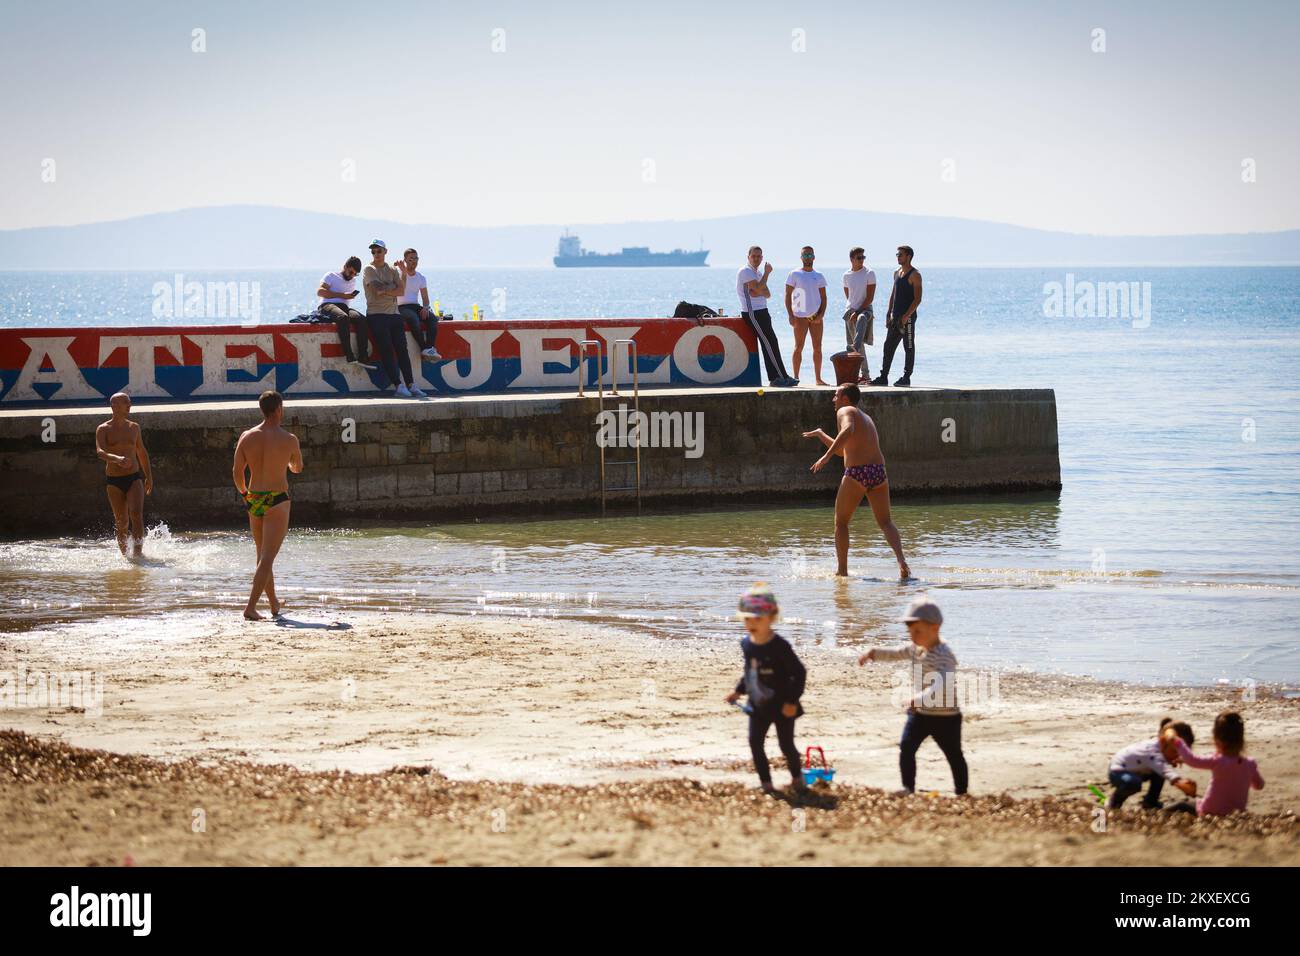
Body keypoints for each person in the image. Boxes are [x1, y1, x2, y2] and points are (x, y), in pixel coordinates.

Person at [859, 595, 968, 796]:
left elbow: (940, 684)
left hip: (946, 716)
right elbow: (896, 653)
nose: (913, 635)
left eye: (918, 631)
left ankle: (961, 792)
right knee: (907, 747)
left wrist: (918, 698)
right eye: (910, 631)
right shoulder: (916, 649)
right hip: (919, 713)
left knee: (954, 754)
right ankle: (908, 788)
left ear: (935, 628)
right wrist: (873, 653)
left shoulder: (945, 655)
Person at [805, 383, 911, 579]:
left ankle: (842, 571)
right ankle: (901, 562)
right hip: (878, 471)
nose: (833, 400)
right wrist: (821, 435)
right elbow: (843, 450)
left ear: (845, 398)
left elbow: (847, 431)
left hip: (857, 473)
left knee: (841, 522)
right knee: (886, 522)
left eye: (836, 395)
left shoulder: (845, 410)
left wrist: (825, 457)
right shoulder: (865, 417)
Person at [724, 584, 807, 795]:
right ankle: (766, 783)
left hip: (782, 705)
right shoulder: (747, 644)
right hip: (757, 705)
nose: (751, 623)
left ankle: (798, 779)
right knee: (755, 743)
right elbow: (750, 671)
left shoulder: (780, 645)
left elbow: (799, 673)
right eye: (747, 618)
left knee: (786, 745)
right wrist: (738, 691)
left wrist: (791, 702)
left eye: (758, 618)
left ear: (771, 617)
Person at [232, 390, 303, 620]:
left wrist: (244, 492)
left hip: (254, 497)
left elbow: (237, 473)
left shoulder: (246, 436)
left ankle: (273, 604)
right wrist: (288, 463)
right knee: (267, 558)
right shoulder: (289, 439)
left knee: (262, 555)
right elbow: (297, 468)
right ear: (279, 409)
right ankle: (250, 607)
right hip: (277, 499)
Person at [1168, 711, 1264, 816]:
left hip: (1210, 810)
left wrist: (1177, 742)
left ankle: (1159, 809)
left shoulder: (1217, 761)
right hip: (1237, 812)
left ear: (1217, 740)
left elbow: (1192, 760)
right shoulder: (1250, 763)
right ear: (1241, 740)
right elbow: (1259, 785)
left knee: (1182, 804)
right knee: (1196, 800)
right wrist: (1243, 777)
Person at [362, 239, 425, 398]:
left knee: (403, 351)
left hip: (395, 315)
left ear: (385, 252)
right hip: (377, 315)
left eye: (379, 251)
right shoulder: (369, 269)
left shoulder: (392, 269)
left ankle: (411, 384)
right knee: (387, 351)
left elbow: (401, 291)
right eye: (373, 251)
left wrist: (388, 289)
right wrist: (392, 288)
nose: (376, 254)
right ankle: (398, 386)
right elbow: (377, 290)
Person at [94, 392, 152, 557]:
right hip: (114, 481)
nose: (129, 405)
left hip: (134, 478)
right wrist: (117, 459)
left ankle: (138, 555)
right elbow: (100, 452)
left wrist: (149, 476)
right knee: (122, 522)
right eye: (125, 402)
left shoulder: (134, 427)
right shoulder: (103, 429)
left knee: (136, 514)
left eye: (129, 402)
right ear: (114, 406)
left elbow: (142, 452)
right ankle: (125, 556)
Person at [1105, 718, 1197, 810]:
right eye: (1175, 752)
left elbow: (1162, 763)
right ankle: (1114, 801)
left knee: (1158, 774)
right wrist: (1181, 783)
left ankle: (1150, 802)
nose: (1177, 756)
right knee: (1133, 783)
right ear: (1162, 741)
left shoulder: (1159, 746)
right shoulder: (1153, 754)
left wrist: (1175, 759)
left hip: (1136, 770)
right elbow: (1166, 771)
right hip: (1118, 771)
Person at [736, 246, 796, 387]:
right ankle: (779, 378)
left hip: (762, 311)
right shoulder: (746, 271)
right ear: (748, 257)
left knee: (772, 342)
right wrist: (766, 276)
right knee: (768, 343)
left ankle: (780, 376)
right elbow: (757, 289)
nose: (756, 258)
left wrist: (759, 287)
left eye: (759, 256)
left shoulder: (757, 273)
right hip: (753, 312)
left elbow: (767, 294)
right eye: (754, 256)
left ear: (762, 258)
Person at [872, 245, 922, 387]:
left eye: (900, 254)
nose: (898, 257)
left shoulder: (915, 275)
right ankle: (884, 376)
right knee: (888, 346)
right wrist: (889, 313)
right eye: (897, 254)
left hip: (908, 318)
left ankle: (906, 377)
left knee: (909, 346)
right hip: (896, 316)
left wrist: (907, 316)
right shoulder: (897, 272)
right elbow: (893, 294)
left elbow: (918, 299)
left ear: (909, 256)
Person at [316, 256, 376, 369]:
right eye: (351, 272)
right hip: (327, 305)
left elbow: (345, 299)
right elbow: (320, 292)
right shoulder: (331, 275)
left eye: (355, 274)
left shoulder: (352, 280)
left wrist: (348, 297)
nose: (352, 275)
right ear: (345, 267)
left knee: (361, 319)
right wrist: (342, 295)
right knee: (343, 317)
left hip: (344, 307)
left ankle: (363, 356)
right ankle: (349, 355)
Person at [785, 246, 829, 386]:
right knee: (798, 347)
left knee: (818, 347)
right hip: (799, 316)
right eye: (805, 255)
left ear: (814, 257)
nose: (807, 258)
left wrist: (821, 315)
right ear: (801, 257)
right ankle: (796, 377)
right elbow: (788, 295)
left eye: (810, 255)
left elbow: (824, 297)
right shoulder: (794, 274)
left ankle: (818, 378)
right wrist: (790, 315)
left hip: (815, 316)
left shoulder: (819, 276)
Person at [394, 248, 442, 361]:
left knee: (433, 319)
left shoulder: (421, 277)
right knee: (413, 318)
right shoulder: (398, 273)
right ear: (405, 260)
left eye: (416, 258)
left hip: (414, 306)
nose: (414, 261)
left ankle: (429, 348)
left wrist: (425, 308)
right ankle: (424, 348)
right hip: (401, 307)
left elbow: (425, 298)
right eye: (411, 259)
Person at [842, 247, 877, 384]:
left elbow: (870, 297)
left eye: (863, 257)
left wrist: (857, 312)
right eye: (859, 258)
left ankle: (854, 347)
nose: (862, 260)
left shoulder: (869, 273)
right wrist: (853, 311)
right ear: (852, 259)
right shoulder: (846, 275)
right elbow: (849, 296)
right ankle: (864, 376)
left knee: (862, 318)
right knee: (859, 345)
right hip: (851, 311)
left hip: (865, 309)